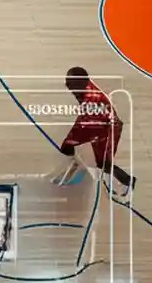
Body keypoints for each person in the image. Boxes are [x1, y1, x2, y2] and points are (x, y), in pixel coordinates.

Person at [57, 67, 135, 197]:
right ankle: (72, 168)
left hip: (107, 129)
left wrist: (71, 140)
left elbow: (85, 127)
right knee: (70, 146)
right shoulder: (83, 88)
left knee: (103, 163)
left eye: (70, 84)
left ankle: (128, 181)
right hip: (98, 122)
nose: (68, 87)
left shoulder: (92, 100)